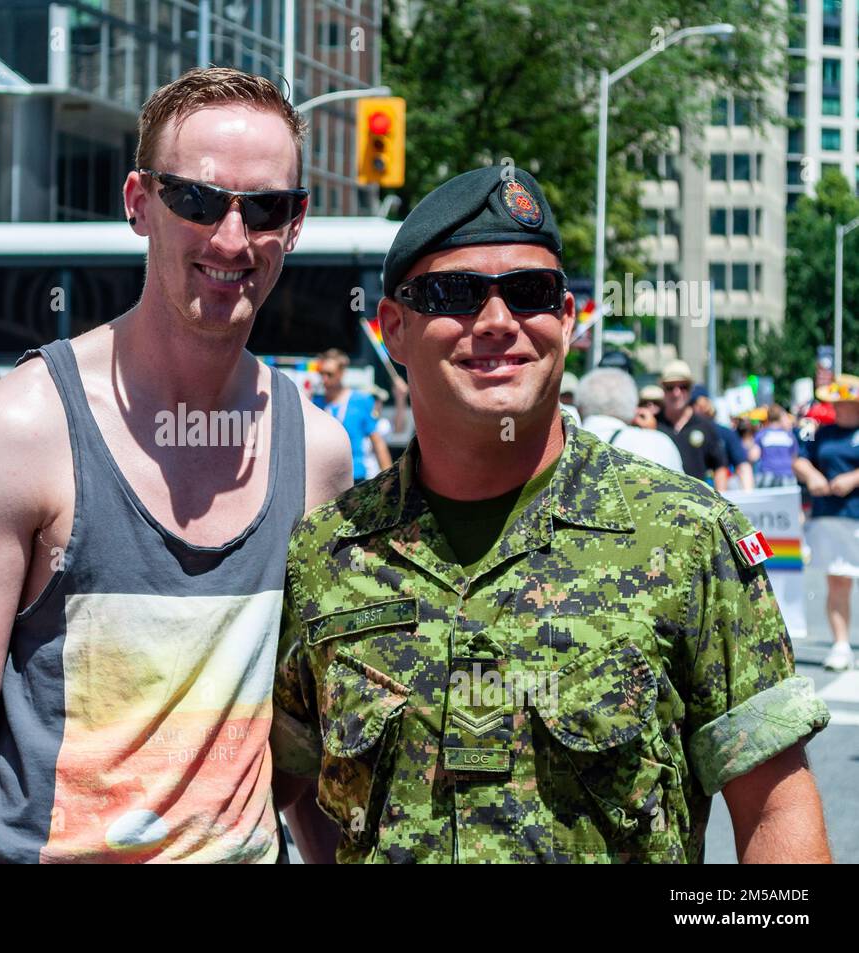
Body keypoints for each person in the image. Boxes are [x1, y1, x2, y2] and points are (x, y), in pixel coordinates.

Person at [271, 165, 831, 863]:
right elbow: (279, 785)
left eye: (530, 293)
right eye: (455, 294)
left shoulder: (685, 534)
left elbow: (777, 810)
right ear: (395, 329)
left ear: (566, 319)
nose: (498, 322)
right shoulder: (330, 553)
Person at [0, 66, 351, 864]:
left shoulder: (316, 453)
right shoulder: (23, 429)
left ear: (296, 222)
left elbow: (306, 763)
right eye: (198, 200)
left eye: (266, 207)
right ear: (139, 202)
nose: (232, 239)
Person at [793, 374, 859, 672]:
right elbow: (800, 460)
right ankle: (841, 644)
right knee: (837, 581)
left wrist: (853, 478)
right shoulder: (822, 433)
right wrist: (813, 476)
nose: (841, 406)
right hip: (830, 514)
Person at [575, 368, 683, 471]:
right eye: (645, 403)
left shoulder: (565, 445)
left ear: (579, 408)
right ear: (634, 406)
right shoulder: (659, 444)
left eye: (657, 403)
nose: (651, 407)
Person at [314, 348, 390, 481]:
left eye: (329, 374)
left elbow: (377, 442)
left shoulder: (361, 400)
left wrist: (390, 481)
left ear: (341, 373)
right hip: (324, 478)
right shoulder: (315, 403)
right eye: (321, 374)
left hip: (355, 478)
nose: (324, 379)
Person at [656, 360, 729, 488]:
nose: (676, 393)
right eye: (670, 387)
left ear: (690, 389)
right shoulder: (653, 426)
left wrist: (720, 500)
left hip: (697, 504)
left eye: (683, 386)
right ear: (663, 390)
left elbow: (720, 467)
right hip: (660, 504)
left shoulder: (705, 426)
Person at [693, 385, 754, 492]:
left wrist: (749, 498)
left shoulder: (724, 433)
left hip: (720, 496)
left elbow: (743, 467)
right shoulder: (681, 434)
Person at [753, 405, 799, 488]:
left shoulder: (762, 434)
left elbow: (754, 456)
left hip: (766, 474)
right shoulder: (789, 435)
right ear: (781, 417)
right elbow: (794, 457)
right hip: (787, 474)